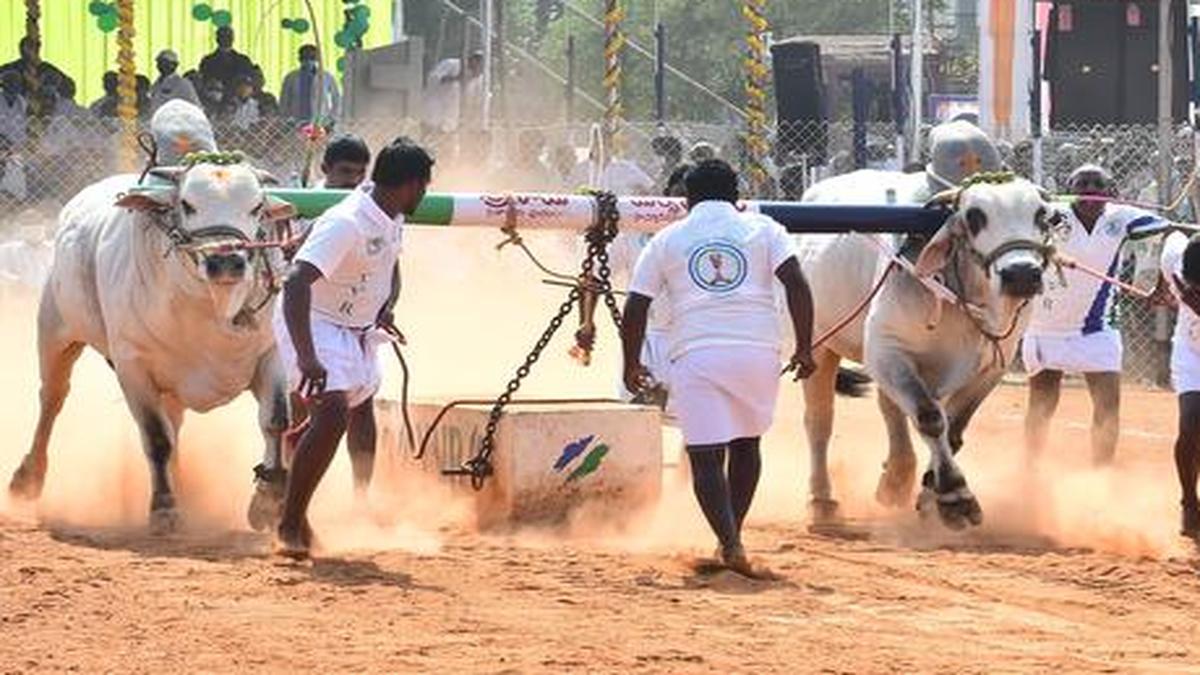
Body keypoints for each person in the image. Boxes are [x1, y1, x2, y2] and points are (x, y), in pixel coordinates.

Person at [621, 159, 816, 577]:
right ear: (736, 194)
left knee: (705, 456)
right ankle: (733, 538)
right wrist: (804, 348)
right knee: (747, 445)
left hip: (698, 355)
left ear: (686, 199)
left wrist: (630, 363)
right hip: (759, 353)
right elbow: (797, 284)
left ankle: (730, 542)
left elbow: (636, 304)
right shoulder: (765, 229)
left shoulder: (667, 238)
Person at [274, 138, 433, 559]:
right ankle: (290, 525)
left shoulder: (390, 215)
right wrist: (307, 355)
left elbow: (388, 266)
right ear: (412, 184)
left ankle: (342, 487)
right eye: (425, 186)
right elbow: (294, 283)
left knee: (357, 408)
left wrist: (385, 307)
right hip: (315, 322)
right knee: (332, 413)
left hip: (357, 328)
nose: (425, 195)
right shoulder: (347, 221)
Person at [1023, 164, 1168, 465]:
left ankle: (1100, 472)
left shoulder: (1122, 217)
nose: (1089, 188)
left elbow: (1166, 229)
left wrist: (1159, 283)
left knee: (1107, 407)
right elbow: (1024, 227)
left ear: (1111, 193)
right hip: (1045, 328)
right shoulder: (1053, 213)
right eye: (1081, 183)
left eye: (1097, 184)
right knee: (1042, 404)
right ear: (1069, 189)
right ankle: (1031, 466)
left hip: (1096, 330)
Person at [1161, 232, 1200, 536]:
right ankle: (1189, 501)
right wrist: (1161, 287)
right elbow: (1171, 234)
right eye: (1194, 287)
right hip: (1192, 352)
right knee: (1190, 422)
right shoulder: (1174, 258)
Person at [0, 36, 74, 107]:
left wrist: (42, 86)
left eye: (36, 47)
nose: (33, 51)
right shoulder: (12, 68)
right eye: (30, 47)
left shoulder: (48, 69)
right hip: (15, 113)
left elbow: (69, 88)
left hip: (45, 112)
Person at [280, 45, 341, 123]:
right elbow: (284, 101)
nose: (308, 60)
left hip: (320, 121)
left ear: (317, 59)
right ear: (299, 59)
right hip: (296, 121)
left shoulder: (326, 77)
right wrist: (286, 120)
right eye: (305, 57)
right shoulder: (291, 77)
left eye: (312, 57)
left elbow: (336, 98)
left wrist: (332, 118)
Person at [198, 26, 255, 99]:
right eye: (223, 36)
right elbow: (204, 82)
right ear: (217, 39)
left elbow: (250, 82)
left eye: (228, 37)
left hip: (239, 99)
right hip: (215, 99)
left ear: (233, 39)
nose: (226, 39)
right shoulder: (207, 61)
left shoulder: (244, 60)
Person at [0, 71, 27, 151]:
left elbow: (23, 125)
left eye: (17, 83)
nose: (14, 86)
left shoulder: (22, 101)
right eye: (10, 83)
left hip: (17, 147)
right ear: (4, 84)